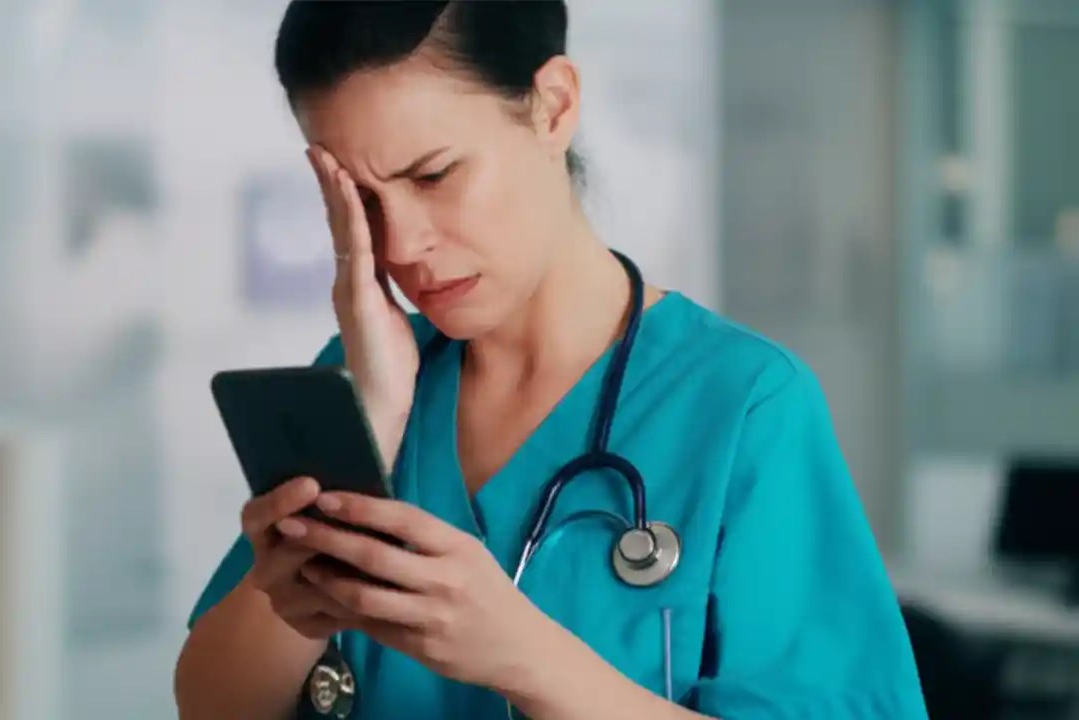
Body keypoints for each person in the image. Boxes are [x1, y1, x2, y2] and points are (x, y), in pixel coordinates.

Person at [174, 2, 928, 718]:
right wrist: (373, 410)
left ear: (553, 106)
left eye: (434, 175)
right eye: (359, 199)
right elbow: (211, 706)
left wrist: (526, 657)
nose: (402, 244)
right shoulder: (363, 384)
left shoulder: (743, 406)